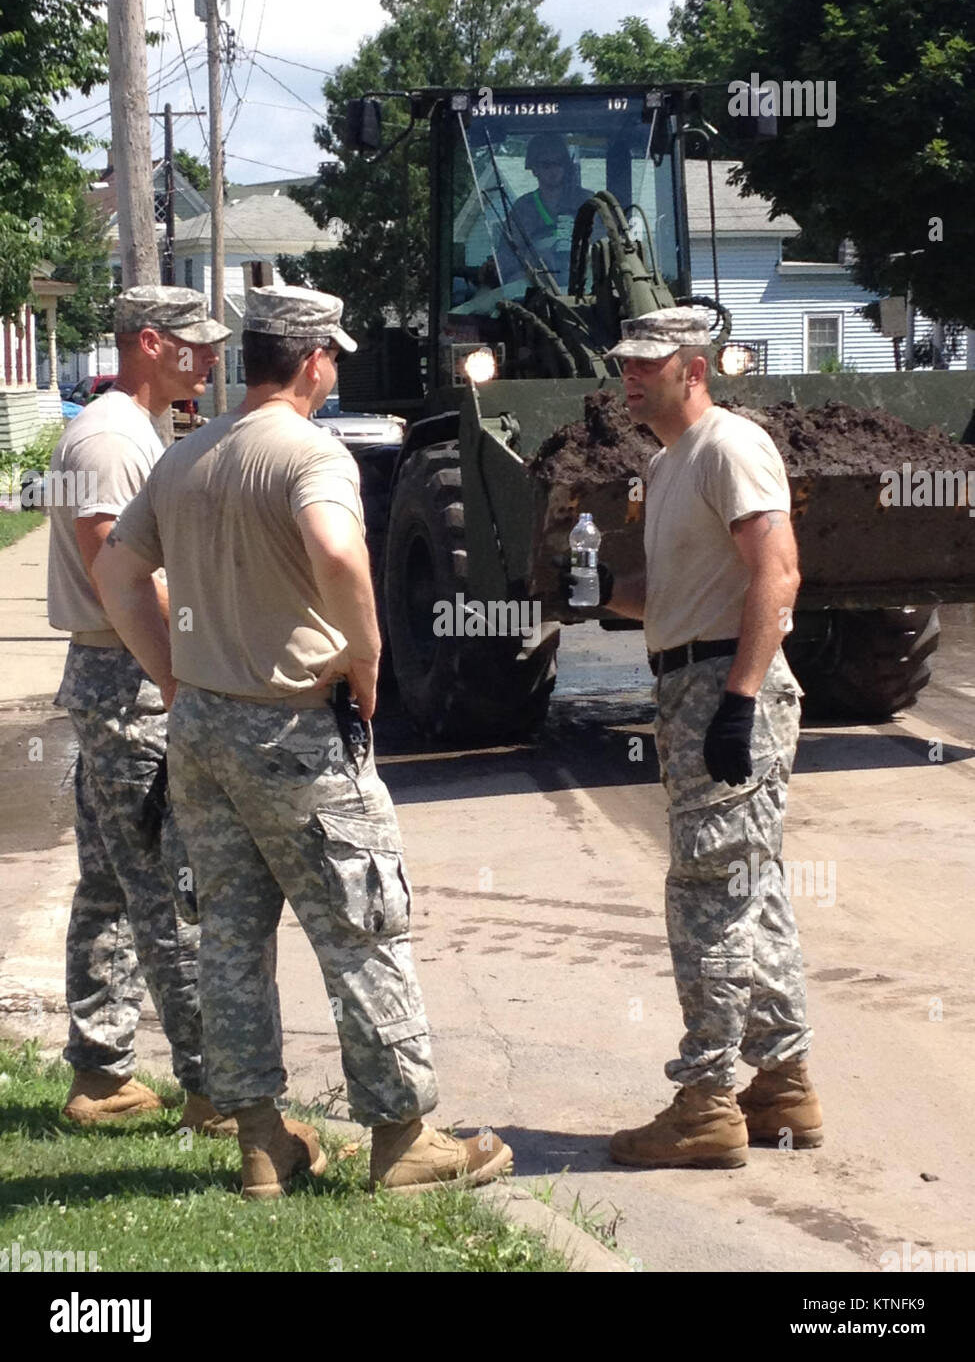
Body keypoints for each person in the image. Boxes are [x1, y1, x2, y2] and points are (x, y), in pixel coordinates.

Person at [93, 284, 513, 1199]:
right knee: (363, 927)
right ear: (316, 358)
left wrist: (174, 676)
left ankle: (259, 1141)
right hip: (295, 733)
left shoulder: (187, 456)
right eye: (335, 357)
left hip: (202, 730)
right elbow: (335, 550)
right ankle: (402, 1142)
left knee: (231, 940)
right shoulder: (309, 454)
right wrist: (367, 657)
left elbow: (116, 571)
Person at [596, 307, 822, 1169]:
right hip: (688, 681)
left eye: (647, 365)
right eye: (625, 364)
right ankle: (781, 1084)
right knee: (749, 889)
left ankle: (705, 1101)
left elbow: (778, 568)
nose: (631, 377)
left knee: (707, 897)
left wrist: (739, 699)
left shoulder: (728, 445)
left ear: (693, 369)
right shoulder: (665, 463)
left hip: (727, 686)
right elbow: (674, 596)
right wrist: (601, 598)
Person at [47, 285, 232, 1132]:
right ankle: (213, 1093)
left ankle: (101, 1072)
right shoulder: (108, 439)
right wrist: (178, 682)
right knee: (167, 886)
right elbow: (113, 575)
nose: (212, 355)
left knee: (110, 886)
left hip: (120, 676)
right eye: (196, 343)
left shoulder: (130, 431)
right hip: (128, 680)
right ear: (150, 342)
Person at [503, 133, 592, 288]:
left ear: (566, 166)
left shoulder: (588, 202)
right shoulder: (522, 209)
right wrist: (533, 259)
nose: (553, 170)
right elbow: (507, 261)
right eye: (546, 164)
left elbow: (604, 246)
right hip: (535, 292)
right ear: (533, 168)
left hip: (584, 289)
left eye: (558, 163)